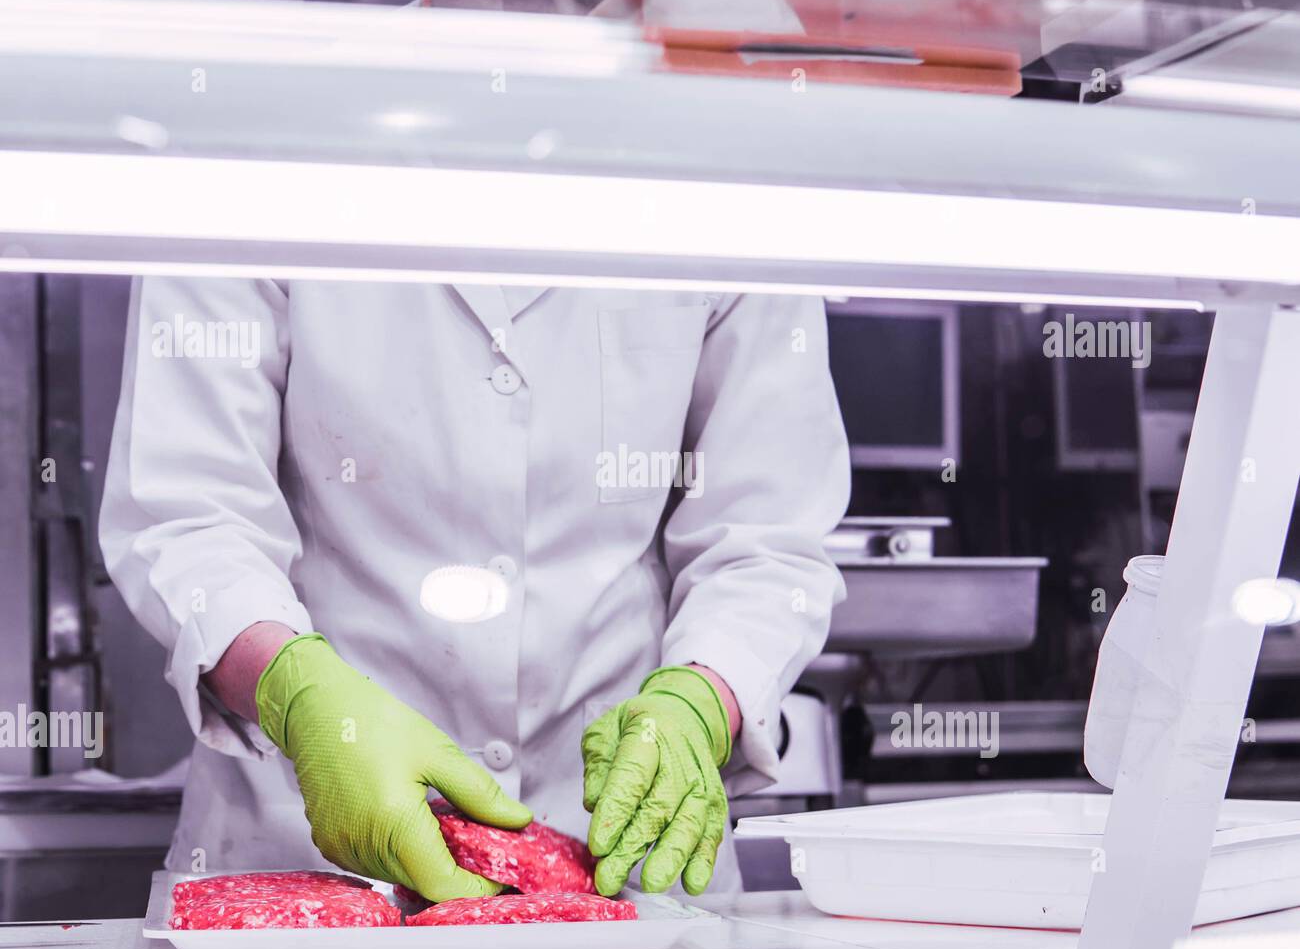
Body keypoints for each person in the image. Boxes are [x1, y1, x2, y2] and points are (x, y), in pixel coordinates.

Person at [100, 280, 849, 899]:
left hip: (622, 856)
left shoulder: (724, 154)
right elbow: (191, 507)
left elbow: (768, 534)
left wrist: (699, 701)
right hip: (303, 847)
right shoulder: (250, 138)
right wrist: (296, 693)